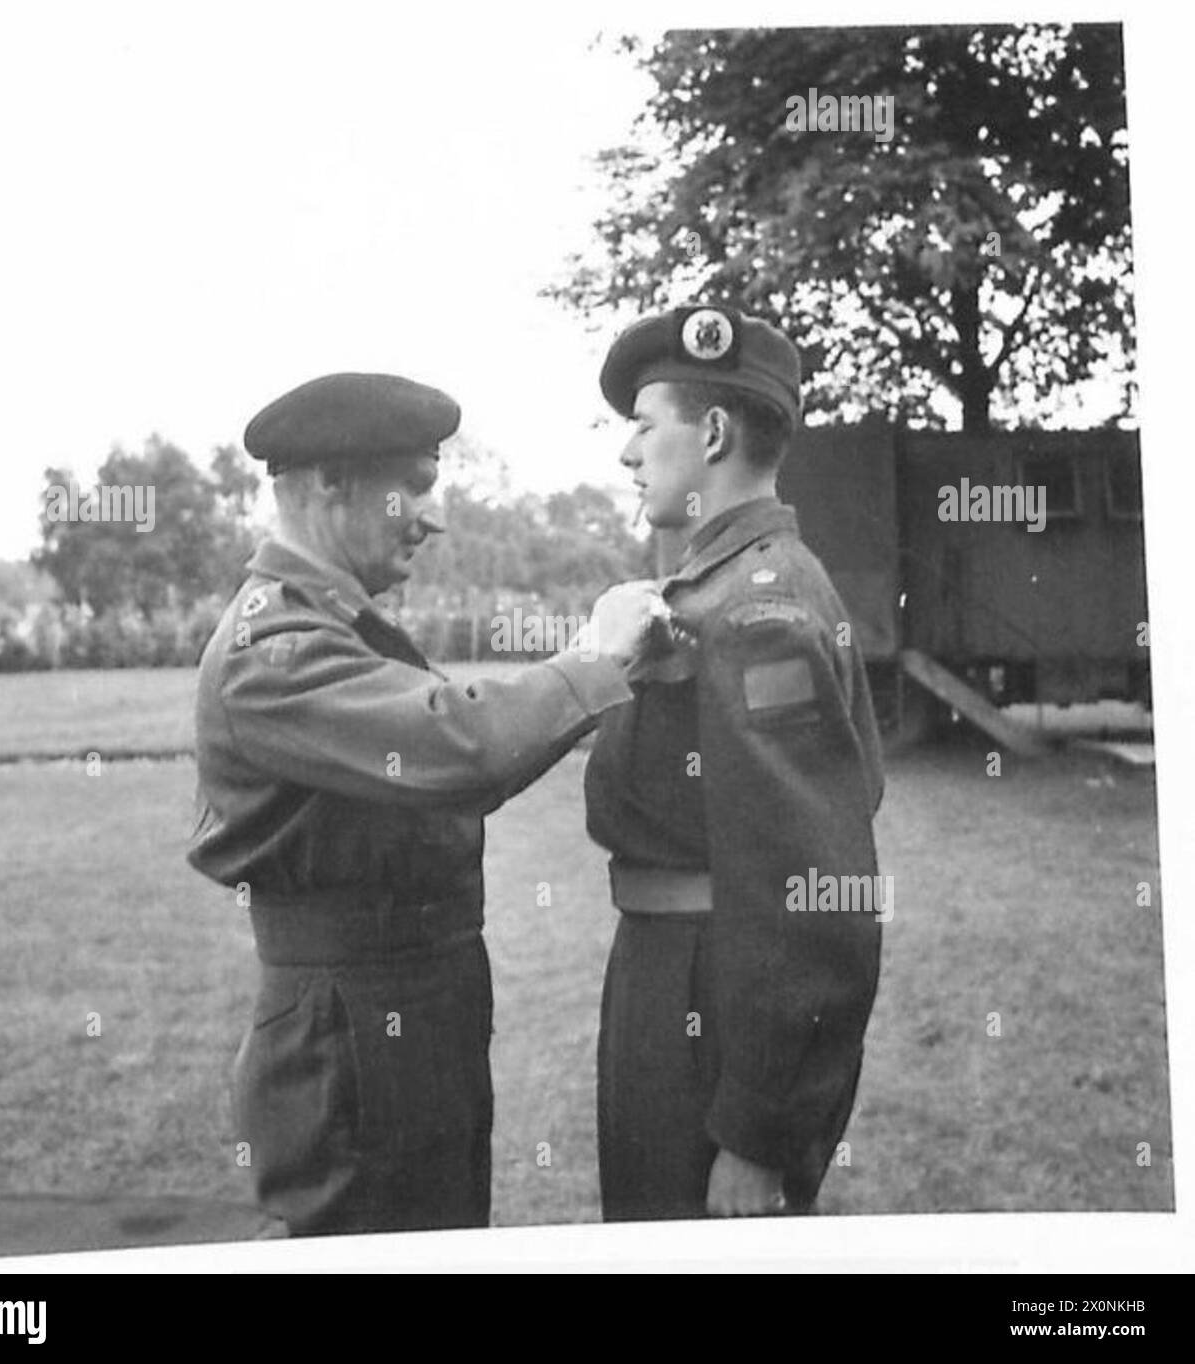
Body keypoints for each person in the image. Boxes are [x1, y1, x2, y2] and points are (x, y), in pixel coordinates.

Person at [187, 371, 659, 1236]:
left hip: (399, 1010)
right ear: (330, 482)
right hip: (352, 1031)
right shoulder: (275, 646)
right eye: (413, 488)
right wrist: (598, 657)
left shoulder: (333, 622)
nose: (433, 518)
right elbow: (453, 745)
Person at [585, 305, 885, 1219]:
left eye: (643, 426)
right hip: (675, 980)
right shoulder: (723, 583)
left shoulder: (758, 609)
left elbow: (813, 885)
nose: (627, 455)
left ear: (712, 433)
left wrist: (758, 1132)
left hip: (706, 1007)